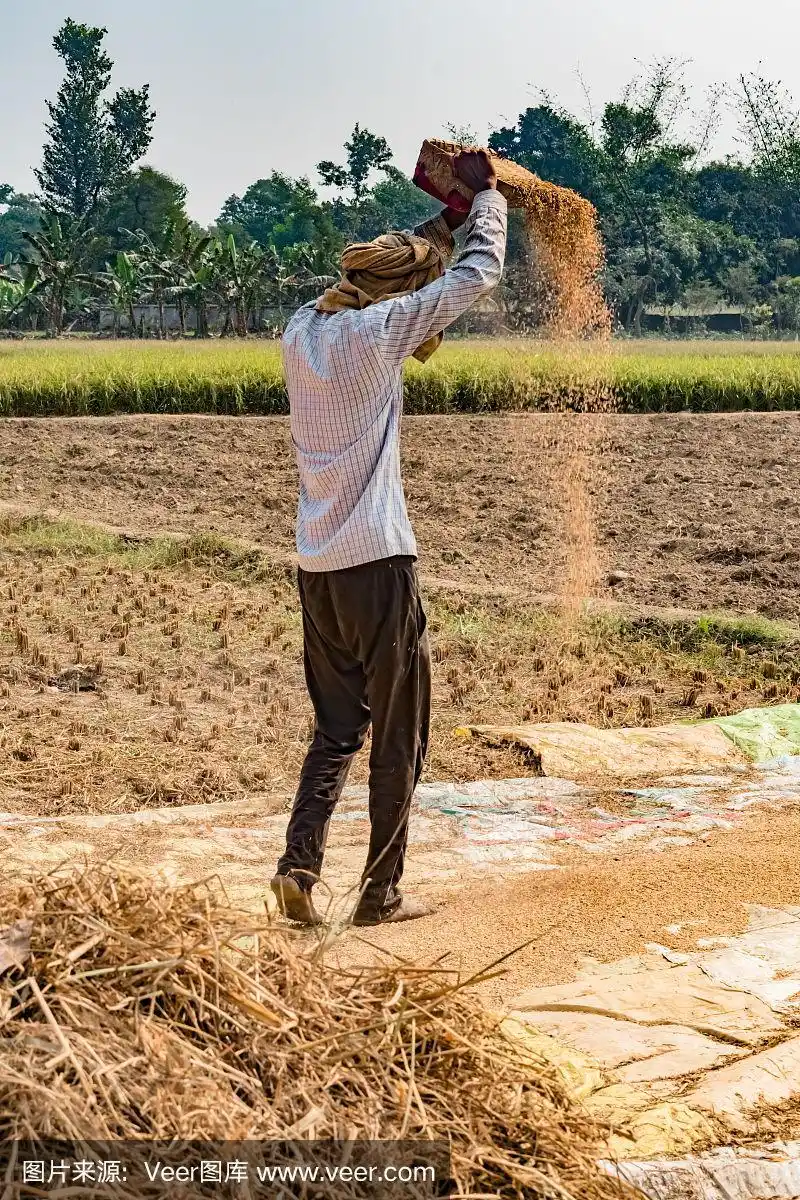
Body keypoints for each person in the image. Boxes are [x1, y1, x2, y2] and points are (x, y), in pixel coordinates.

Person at [271, 150, 507, 927]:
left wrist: (440, 220)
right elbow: (475, 278)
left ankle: (298, 866)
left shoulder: (303, 328)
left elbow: (381, 272)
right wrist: (488, 202)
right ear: (394, 295)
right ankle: (381, 891)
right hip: (379, 561)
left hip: (318, 568)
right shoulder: (379, 334)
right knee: (399, 734)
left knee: (337, 728)